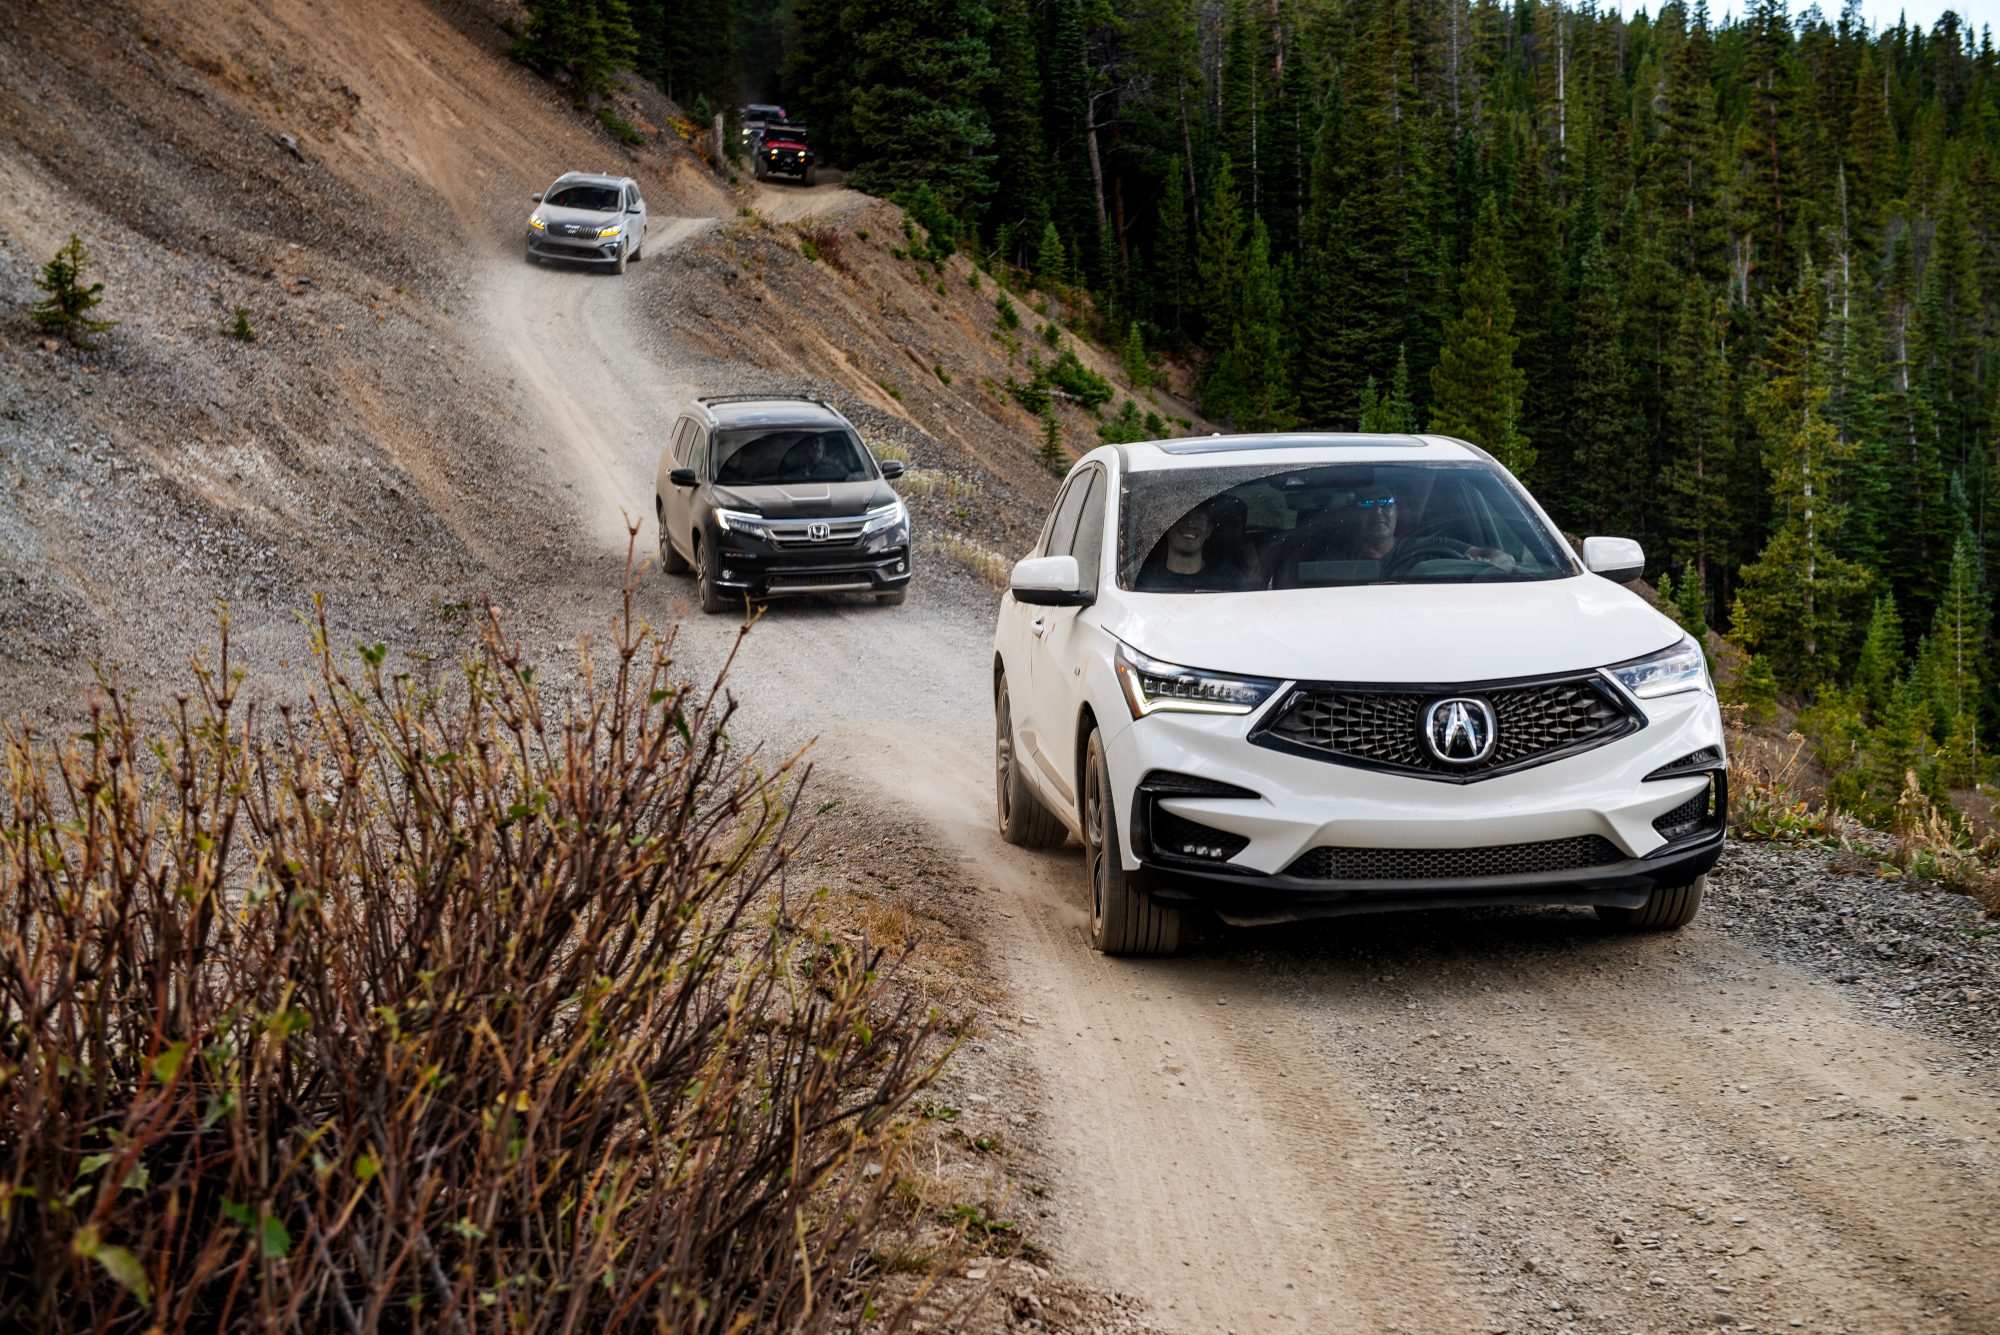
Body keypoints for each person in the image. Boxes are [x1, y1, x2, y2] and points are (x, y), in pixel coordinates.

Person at [1137, 499, 1252, 591]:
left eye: (1199, 518)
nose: (1191, 524)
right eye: (1183, 516)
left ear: (1209, 530)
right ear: (1167, 526)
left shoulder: (1229, 579)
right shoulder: (1143, 579)